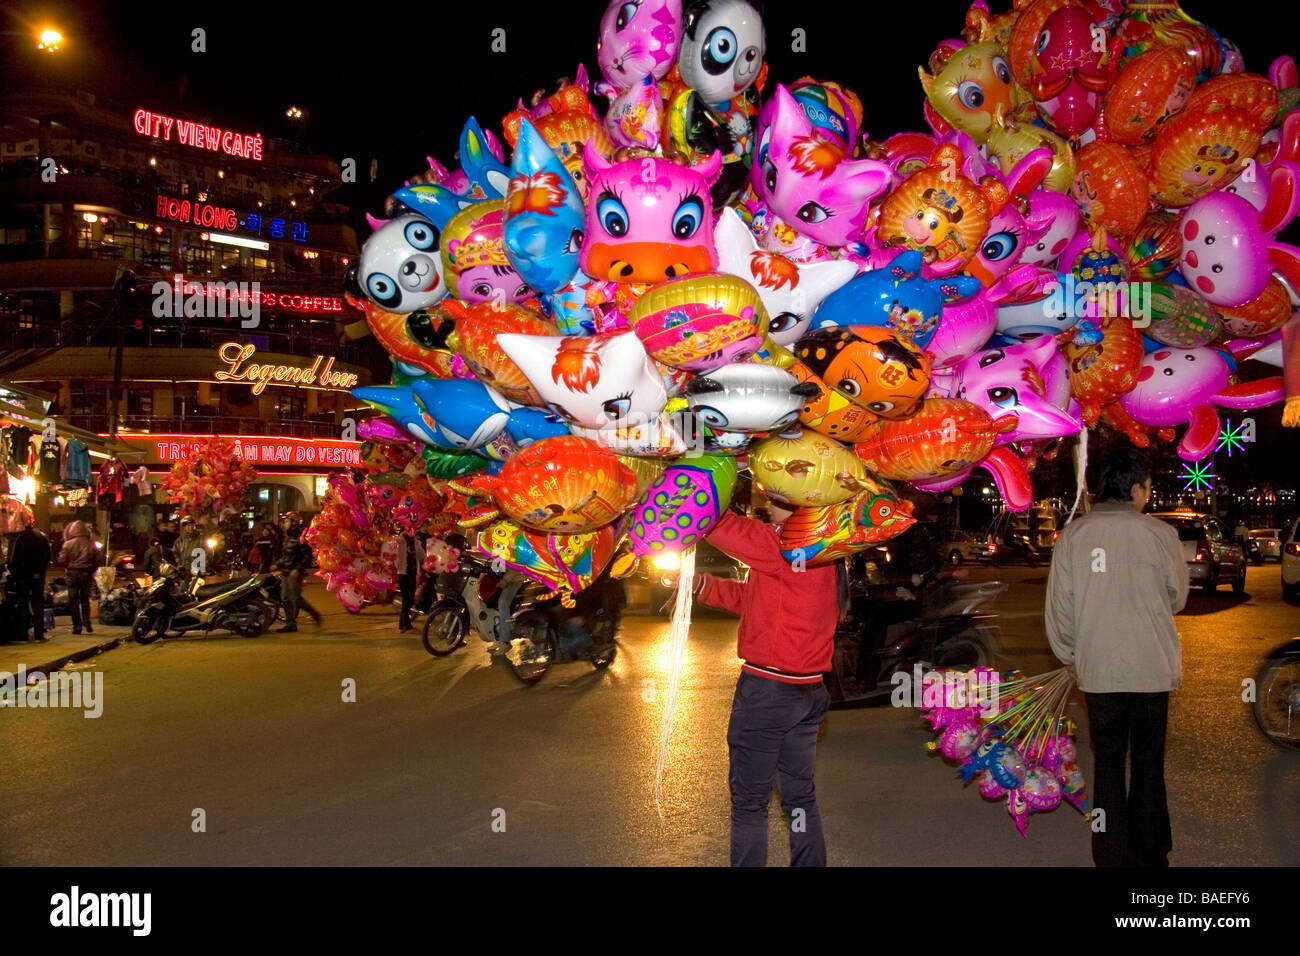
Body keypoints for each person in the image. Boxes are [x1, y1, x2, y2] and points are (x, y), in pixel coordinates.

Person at [1044, 447, 1189, 868]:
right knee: (1147, 764)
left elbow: (1059, 608)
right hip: (1152, 670)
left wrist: (1070, 654)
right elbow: (1177, 599)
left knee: (1107, 765)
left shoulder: (1073, 536)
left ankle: (1109, 853)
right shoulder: (1160, 535)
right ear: (1137, 488)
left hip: (1099, 672)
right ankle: (1150, 852)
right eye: (1147, 487)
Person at [692, 502, 839, 867]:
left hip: (768, 693)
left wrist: (702, 483)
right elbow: (755, 599)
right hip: (808, 692)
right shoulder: (826, 548)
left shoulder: (783, 544)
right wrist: (702, 585)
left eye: (771, 494)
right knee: (799, 798)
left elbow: (708, 516)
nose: (764, 502)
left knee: (749, 805)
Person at [275, 514, 321, 632]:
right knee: (285, 598)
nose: (284, 524)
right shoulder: (287, 537)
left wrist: (298, 569)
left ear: (294, 523)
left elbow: (306, 557)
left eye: (287, 522)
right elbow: (286, 556)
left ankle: (314, 613)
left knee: (295, 598)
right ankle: (290, 623)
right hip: (285, 572)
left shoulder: (301, 538)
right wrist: (277, 564)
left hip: (294, 573)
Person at [9, 516, 52, 642]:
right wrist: (40, 571)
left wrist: (14, 572)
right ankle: (39, 634)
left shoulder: (19, 538)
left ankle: (23, 634)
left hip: (23, 576)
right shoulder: (41, 537)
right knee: (37, 603)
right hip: (38, 575)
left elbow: (14, 559)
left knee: (23, 603)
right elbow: (47, 556)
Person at [58, 519, 99, 635]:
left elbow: (61, 560)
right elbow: (98, 560)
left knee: (73, 601)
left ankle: (77, 626)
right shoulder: (91, 543)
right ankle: (87, 622)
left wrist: (69, 565)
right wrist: (91, 570)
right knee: (85, 599)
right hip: (86, 574)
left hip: (72, 573)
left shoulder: (68, 544)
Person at [395, 533, 424, 632]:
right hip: (403, 573)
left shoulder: (416, 541)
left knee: (410, 599)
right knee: (406, 599)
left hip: (413, 573)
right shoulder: (399, 541)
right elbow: (395, 556)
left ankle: (405, 624)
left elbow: (421, 556)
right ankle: (402, 624)